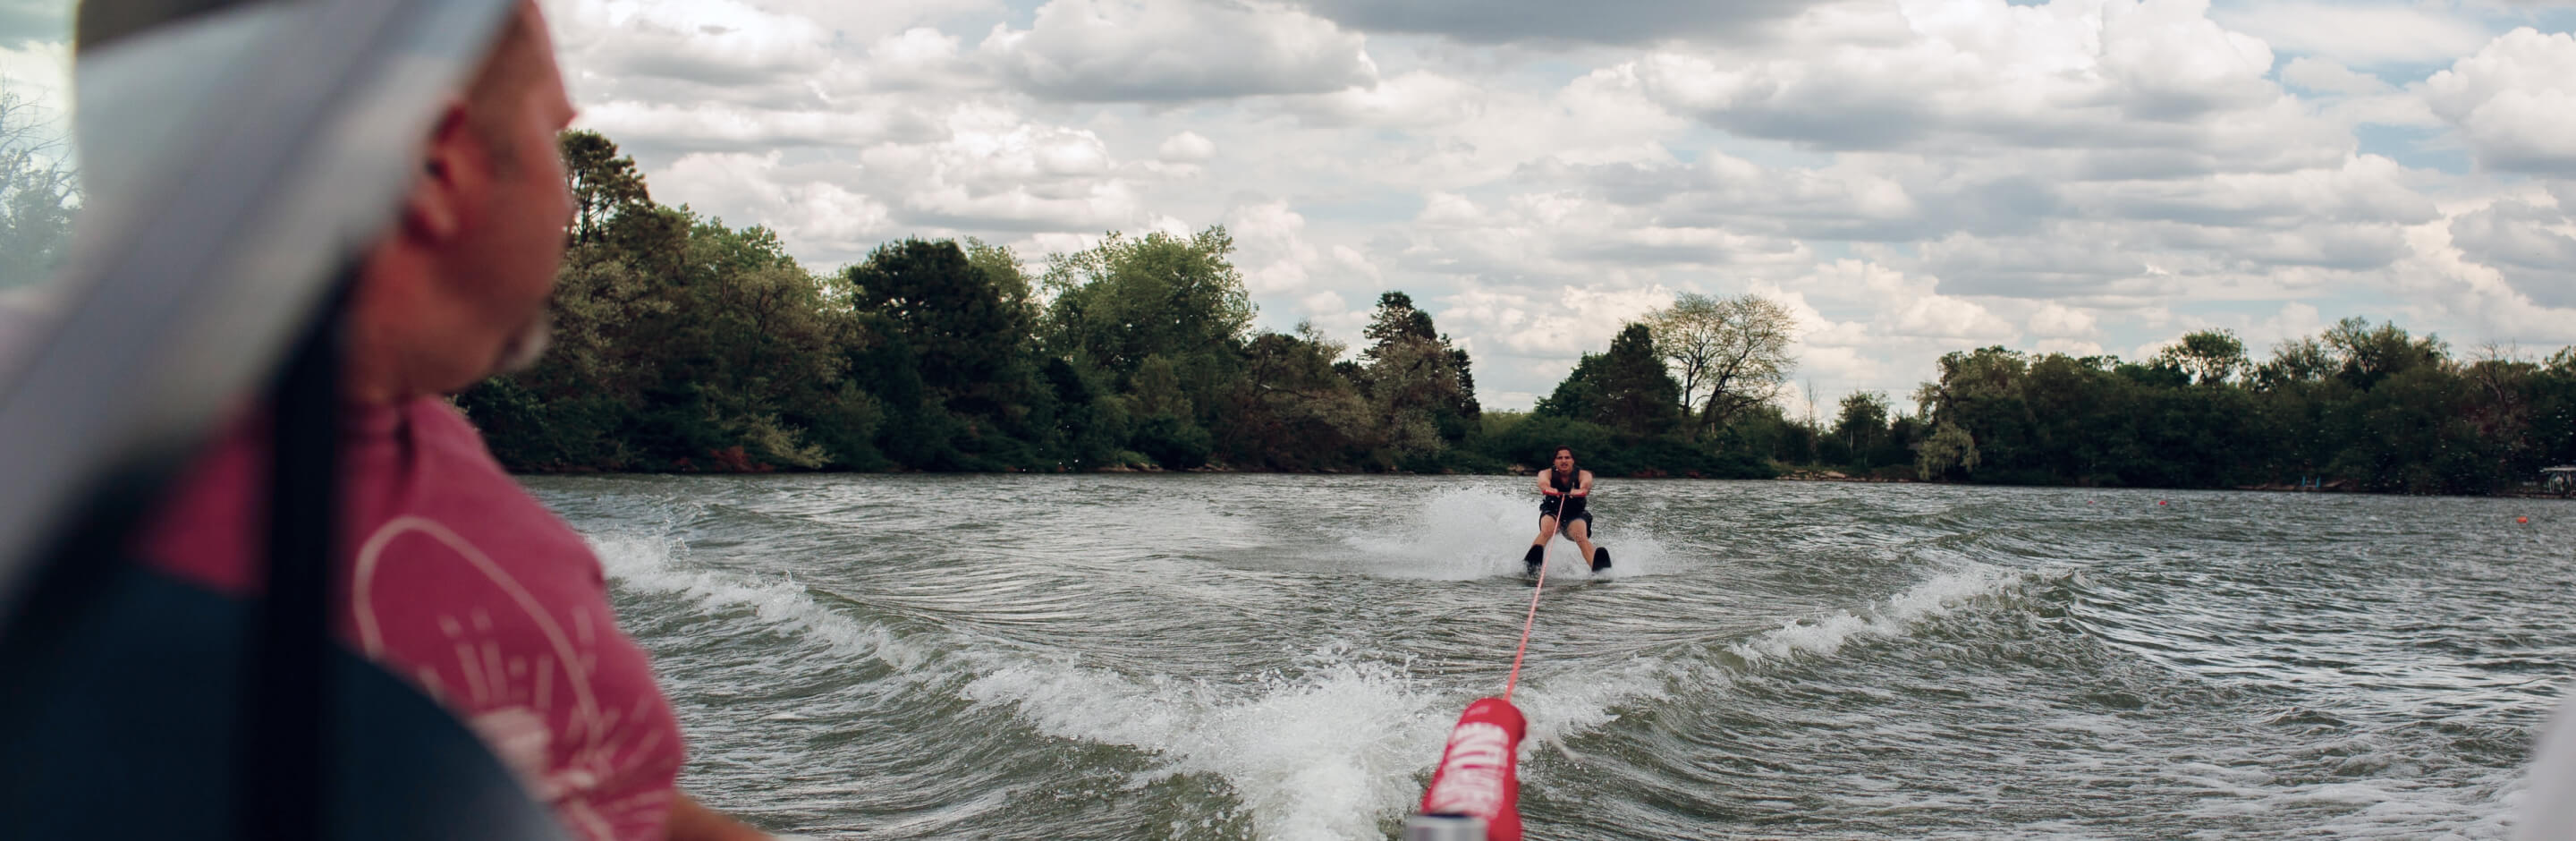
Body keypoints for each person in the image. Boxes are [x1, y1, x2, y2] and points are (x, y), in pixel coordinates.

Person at [79, 1, 769, 838]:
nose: (562, 195)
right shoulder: (107, 512)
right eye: (553, 133)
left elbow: (597, 794)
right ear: (436, 167)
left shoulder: (395, 424)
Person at [1523, 446, 1609, 573]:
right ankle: (1532, 564)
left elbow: (1586, 484)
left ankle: (1598, 569)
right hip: (1552, 510)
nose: (1564, 461)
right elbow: (1543, 482)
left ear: (1573, 460)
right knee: (1548, 530)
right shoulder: (1546, 473)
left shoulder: (1583, 474)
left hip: (1575, 513)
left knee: (1581, 537)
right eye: (1560, 458)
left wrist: (1581, 490)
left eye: (1567, 458)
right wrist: (1548, 488)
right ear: (1554, 461)